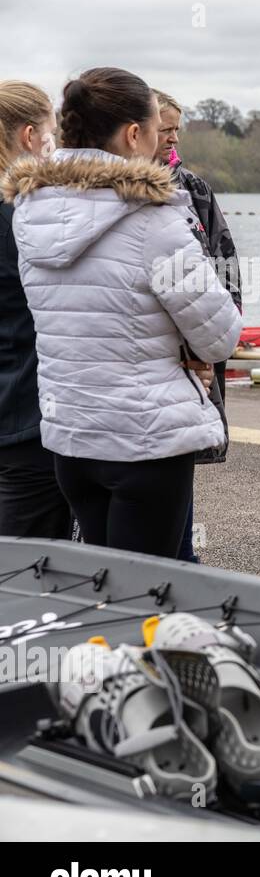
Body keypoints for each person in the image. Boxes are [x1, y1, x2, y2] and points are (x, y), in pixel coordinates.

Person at [2, 67, 242, 557]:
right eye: (157, 130)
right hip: (144, 442)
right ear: (135, 135)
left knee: (100, 582)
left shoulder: (29, 213)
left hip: (70, 437)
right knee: (150, 591)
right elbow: (220, 337)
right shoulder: (156, 219)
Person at [153, 89, 243, 563]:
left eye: (175, 129)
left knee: (180, 471)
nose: (171, 137)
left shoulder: (196, 188)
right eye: (163, 128)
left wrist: (217, 344)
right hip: (158, 361)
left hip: (197, 353)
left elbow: (227, 264)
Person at [0, 80, 73, 540]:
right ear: (29, 136)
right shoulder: (20, 219)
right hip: (27, 414)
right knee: (34, 571)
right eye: (52, 132)